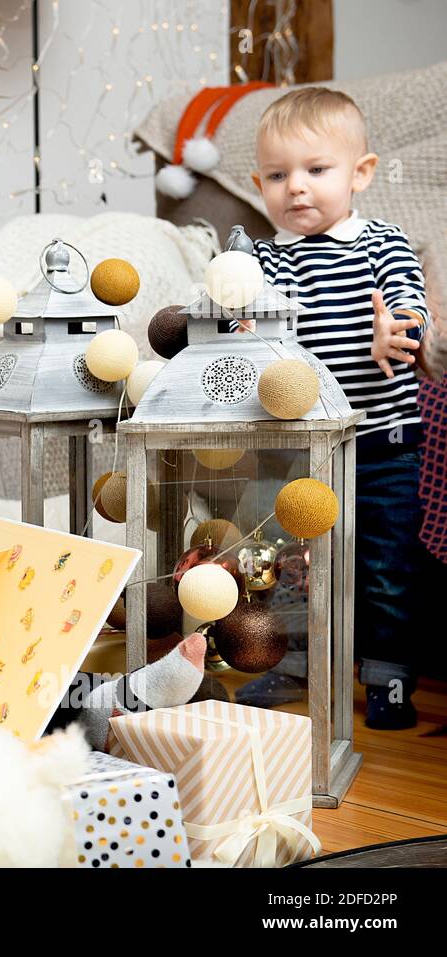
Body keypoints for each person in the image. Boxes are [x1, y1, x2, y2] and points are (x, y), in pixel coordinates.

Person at [248, 88, 431, 728]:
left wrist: (396, 330)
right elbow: (244, 318)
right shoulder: (265, 257)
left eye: (316, 170)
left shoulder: (381, 243)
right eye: (278, 175)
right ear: (259, 183)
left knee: (384, 566)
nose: (296, 188)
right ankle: (285, 665)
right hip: (298, 448)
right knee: (291, 563)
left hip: (382, 443)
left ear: (361, 174)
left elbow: (409, 304)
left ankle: (388, 680)